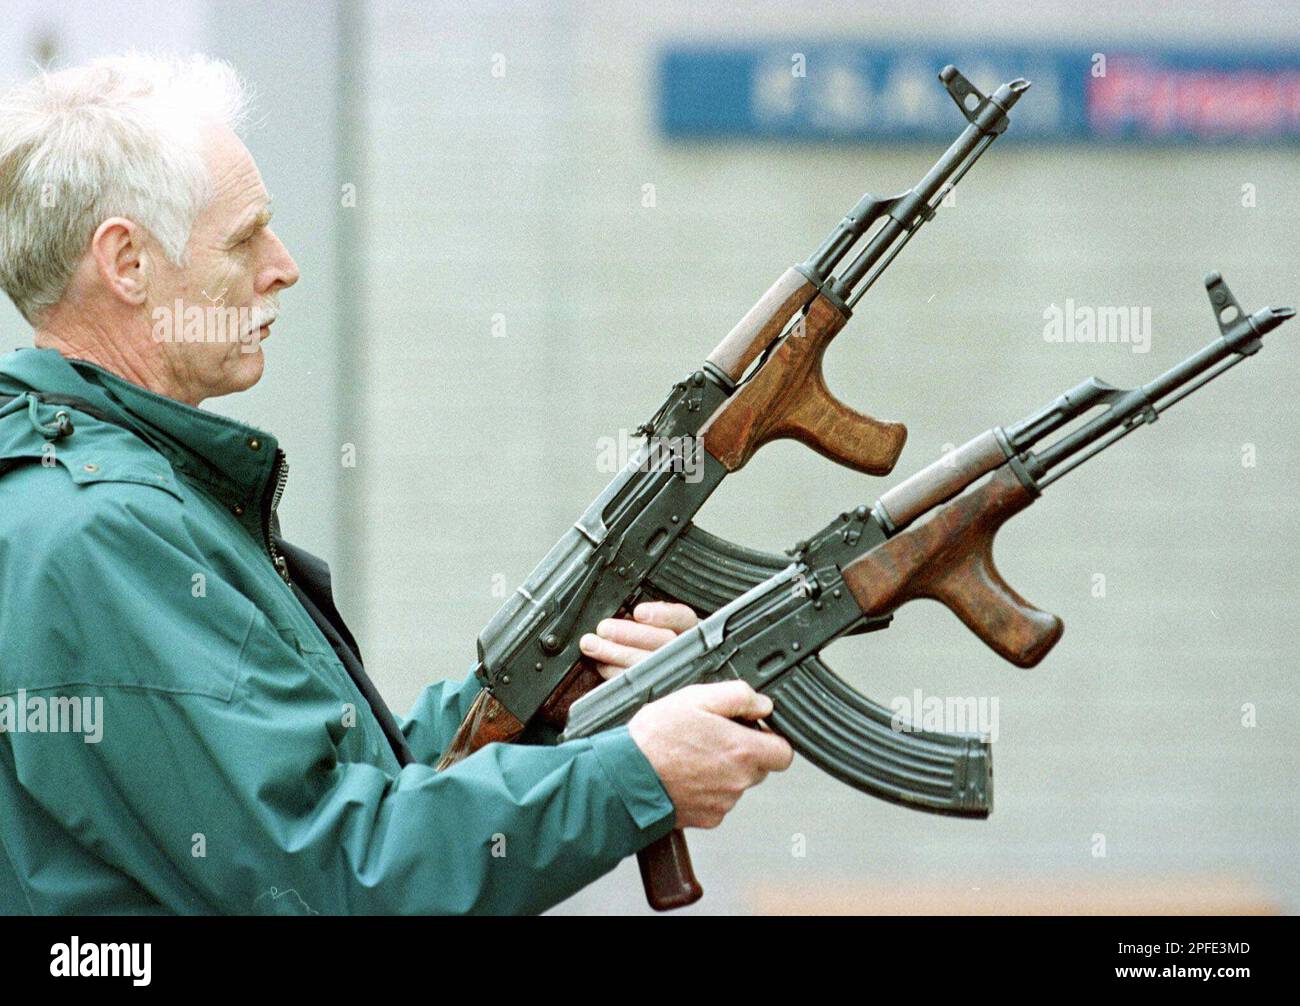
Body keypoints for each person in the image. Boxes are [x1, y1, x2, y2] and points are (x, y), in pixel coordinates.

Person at [0, 53, 792, 914]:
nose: (284, 265)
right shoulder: (104, 533)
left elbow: (343, 786)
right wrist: (628, 778)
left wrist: (562, 696)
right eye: (244, 237)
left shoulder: (118, 494)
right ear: (127, 263)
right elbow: (329, 875)